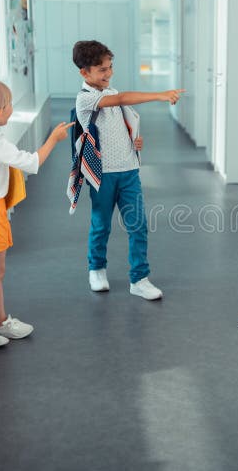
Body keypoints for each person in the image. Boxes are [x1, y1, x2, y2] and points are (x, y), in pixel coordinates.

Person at [0, 80, 72, 347]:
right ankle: (1, 322)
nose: (11, 108)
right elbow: (31, 163)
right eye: (9, 103)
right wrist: (53, 139)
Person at [72, 40, 183, 298]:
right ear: (84, 73)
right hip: (102, 175)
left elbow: (123, 122)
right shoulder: (86, 99)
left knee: (138, 225)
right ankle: (96, 269)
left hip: (129, 171)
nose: (109, 73)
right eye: (102, 69)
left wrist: (134, 140)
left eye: (110, 67)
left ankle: (139, 279)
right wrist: (160, 95)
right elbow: (121, 99)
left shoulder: (111, 91)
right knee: (101, 225)